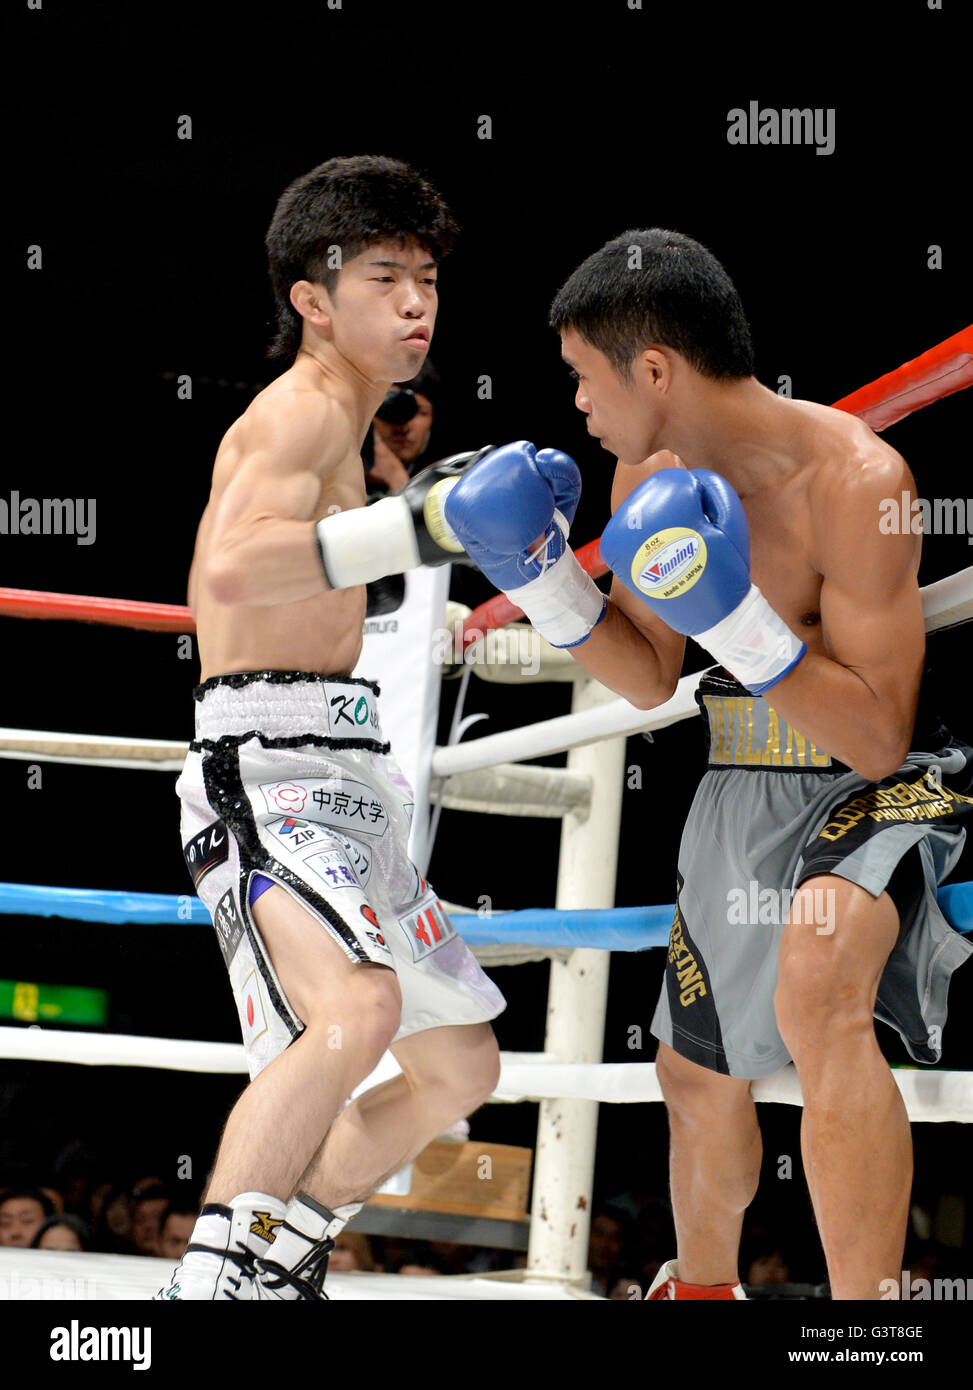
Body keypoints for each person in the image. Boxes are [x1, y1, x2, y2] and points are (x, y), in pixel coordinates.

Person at [441, 229, 973, 1300]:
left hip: (881, 779)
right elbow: (643, 676)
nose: (579, 407)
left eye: (585, 378)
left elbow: (873, 733)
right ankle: (702, 1291)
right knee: (691, 1070)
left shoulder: (859, 478)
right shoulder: (647, 468)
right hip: (739, 774)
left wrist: (734, 619)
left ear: (653, 368)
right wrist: (545, 581)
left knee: (820, 982)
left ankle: (867, 1318)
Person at [160, 154, 506, 1301]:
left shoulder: (353, 437)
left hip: (344, 766)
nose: (416, 304)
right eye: (382, 278)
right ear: (312, 298)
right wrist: (415, 529)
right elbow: (232, 563)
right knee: (360, 1010)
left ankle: (284, 1246)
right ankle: (210, 1279)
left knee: (459, 1063)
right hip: (267, 763)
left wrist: (397, 504)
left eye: (426, 280)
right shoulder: (300, 412)